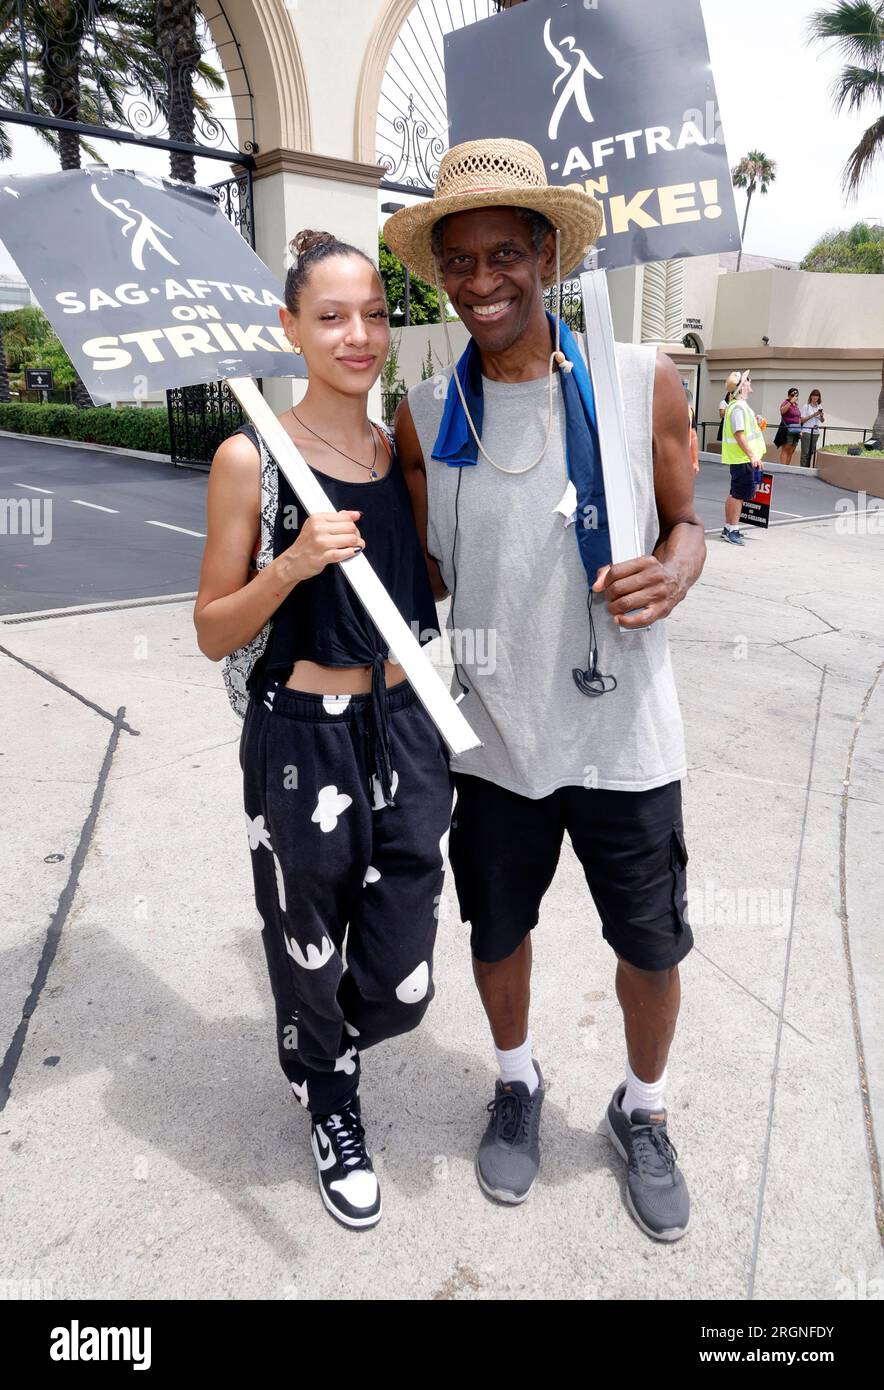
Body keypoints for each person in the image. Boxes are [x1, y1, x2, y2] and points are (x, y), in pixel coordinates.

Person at [387, 138, 705, 1242]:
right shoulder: (426, 410)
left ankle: (640, 1107)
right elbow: (419, 563)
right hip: (493, 738)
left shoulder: (634, 378)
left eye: (502, 255)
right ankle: (515, 1079)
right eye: (459, 262)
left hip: (623, 733)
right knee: (494, 931)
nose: (480, 281)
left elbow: (686, 519)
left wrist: (672, 568)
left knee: (651, 947)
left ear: (544, 258)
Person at [193, 229, 453, 1231]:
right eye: (332, 315)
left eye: (374, 313)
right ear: (290, 328)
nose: (358, 334)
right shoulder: (248, 456)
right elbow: (214, 624)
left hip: (407, 722)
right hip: (302, 733)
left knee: (402, 973)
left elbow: (427, 580)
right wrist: (293, 562)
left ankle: (317, 1042)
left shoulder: (399, 449)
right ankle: (331, 1098)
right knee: (305, 939)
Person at [719, 368, 765, 547]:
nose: (750, 382)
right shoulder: (738, 407)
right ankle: (733, 530)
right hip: (742, 459)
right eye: (748, 380)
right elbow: (739, 435)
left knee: (735, 493)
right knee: (739, 495)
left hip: (740, 458)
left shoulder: (737, 406)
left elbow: (745, 431)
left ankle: (729, 527)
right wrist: (752, 455)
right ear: (742, 386)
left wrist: (757, 422)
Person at [775, 386, 802, 464]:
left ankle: (787, 467)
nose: (794, 396)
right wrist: (790, 402)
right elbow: (782, 411)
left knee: (792, 449)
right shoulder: (786, 403)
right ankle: (783, 468)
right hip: (787, 429)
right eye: (792, 395)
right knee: (786, 448)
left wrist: (800, 430)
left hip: (796, 430)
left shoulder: (796, 405)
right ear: (789, 395)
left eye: (796, 395)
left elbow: (799, 418)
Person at [800, 389, 824, 467]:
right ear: (810, 396)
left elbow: (822, 421)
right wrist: (813, 415)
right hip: (807, 431)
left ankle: (807, 469)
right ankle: (803, 470)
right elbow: (802, 419)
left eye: (817, 396)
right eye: (813, 395)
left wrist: (821, 416)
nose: (815, 397)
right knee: (805, 452)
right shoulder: (806, 406)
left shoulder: (819, 406)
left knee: (811, 452)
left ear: (819, 397)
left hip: (815, 432)